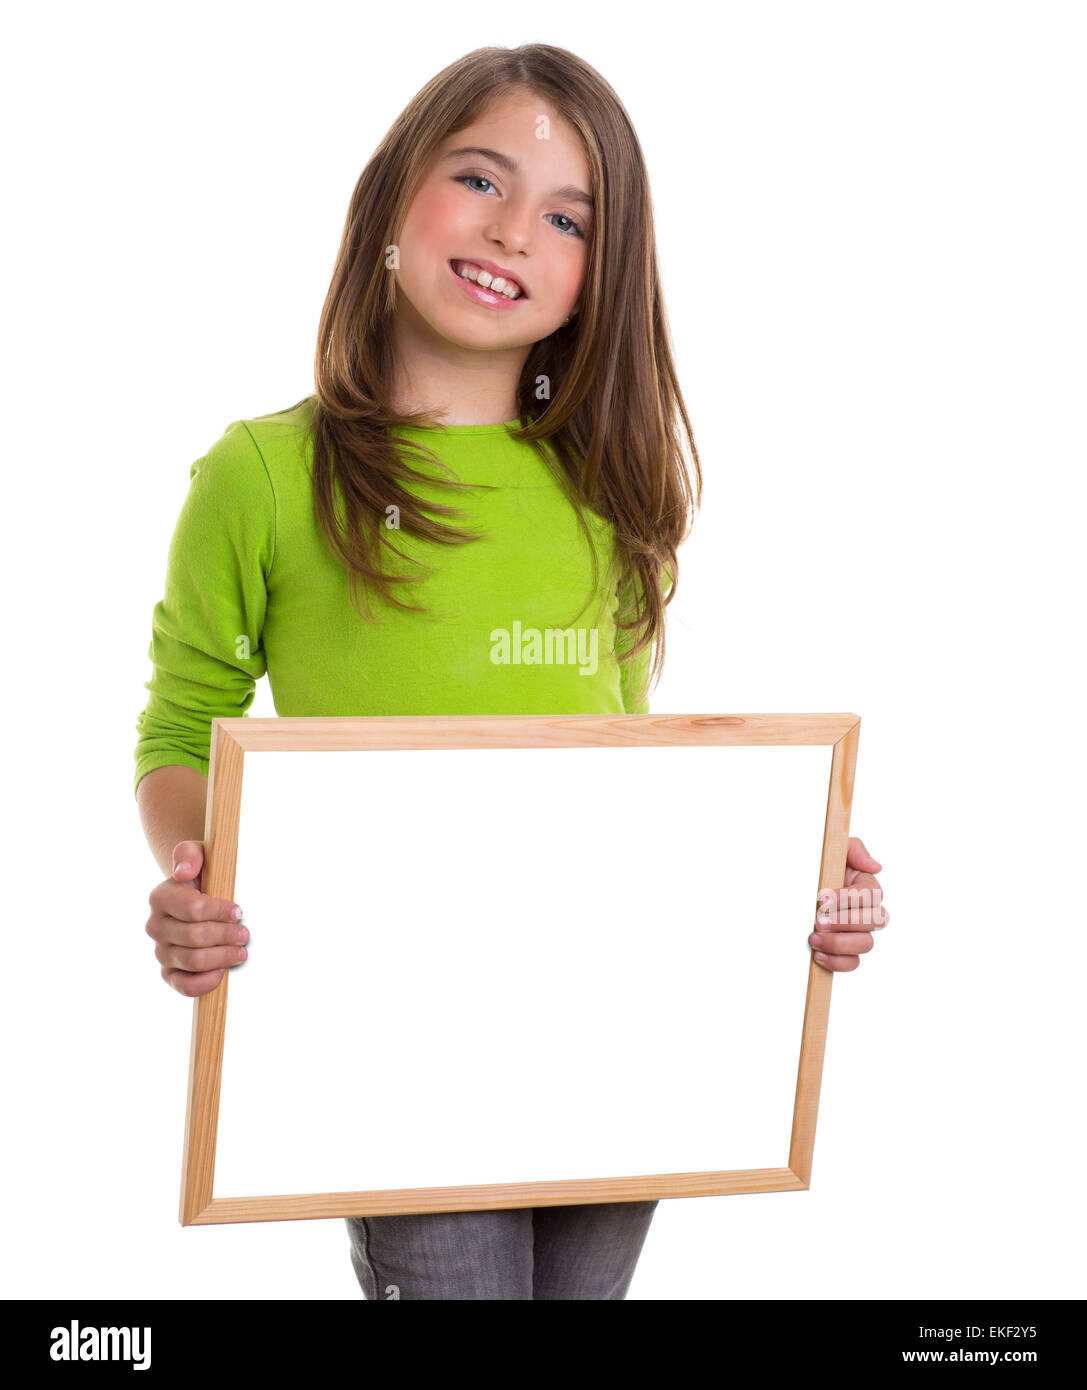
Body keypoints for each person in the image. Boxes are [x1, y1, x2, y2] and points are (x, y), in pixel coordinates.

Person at [135, 43, 889, 1300]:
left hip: (613, 1026)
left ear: (601, 276)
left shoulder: (613, 493)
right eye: (479, 179)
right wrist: (195, 878)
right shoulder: (263, 475)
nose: (512, 233)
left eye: (567, 217)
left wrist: (796, 872)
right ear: (391, 198)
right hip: (398, 1039)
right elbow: (181, 726)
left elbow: (620, 764)